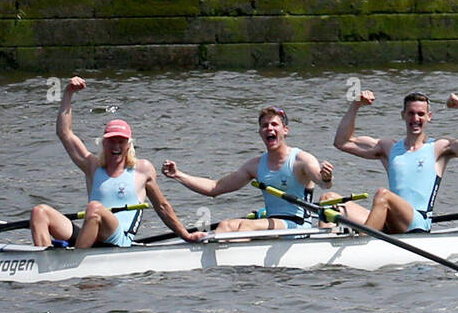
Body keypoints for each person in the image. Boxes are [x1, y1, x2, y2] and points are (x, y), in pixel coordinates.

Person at [29, 76, 202, 248]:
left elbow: (163, 207)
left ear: (128, 145)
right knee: (40, 212)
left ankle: (76, 260)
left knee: (95, 208)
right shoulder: (92, 166)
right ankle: (42, 261)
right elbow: (64, 133)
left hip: (119, 238)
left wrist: (186, 235)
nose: (116, 146)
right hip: (91, 232)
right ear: (104, 143)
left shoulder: (143, 170)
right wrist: (68, 94)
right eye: (112, 141)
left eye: (121, 141)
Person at [330, 90, 458, 233]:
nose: (415, 118)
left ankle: (362, 246)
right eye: (411, 113)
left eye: (421, 114)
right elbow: (342, 142)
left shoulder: (440, 148)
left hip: (418, 222)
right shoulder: (388, 147)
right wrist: (356, 105)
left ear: (429, 117)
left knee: (383, 195)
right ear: (403, 115)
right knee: (329, 200)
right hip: (391, 218)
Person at [162, 106, 337, 232]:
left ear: (285, 130)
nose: (269, 128)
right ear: (260, 132)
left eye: (274, 125)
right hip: (273, 222)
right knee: (225, 226)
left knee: (246, 226)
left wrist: (327, 177)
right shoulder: (255, 165)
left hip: (298, 225)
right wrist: (178, 175)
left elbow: (323, 183)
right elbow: (214, 188)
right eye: (264, 126)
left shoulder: (301, 160)